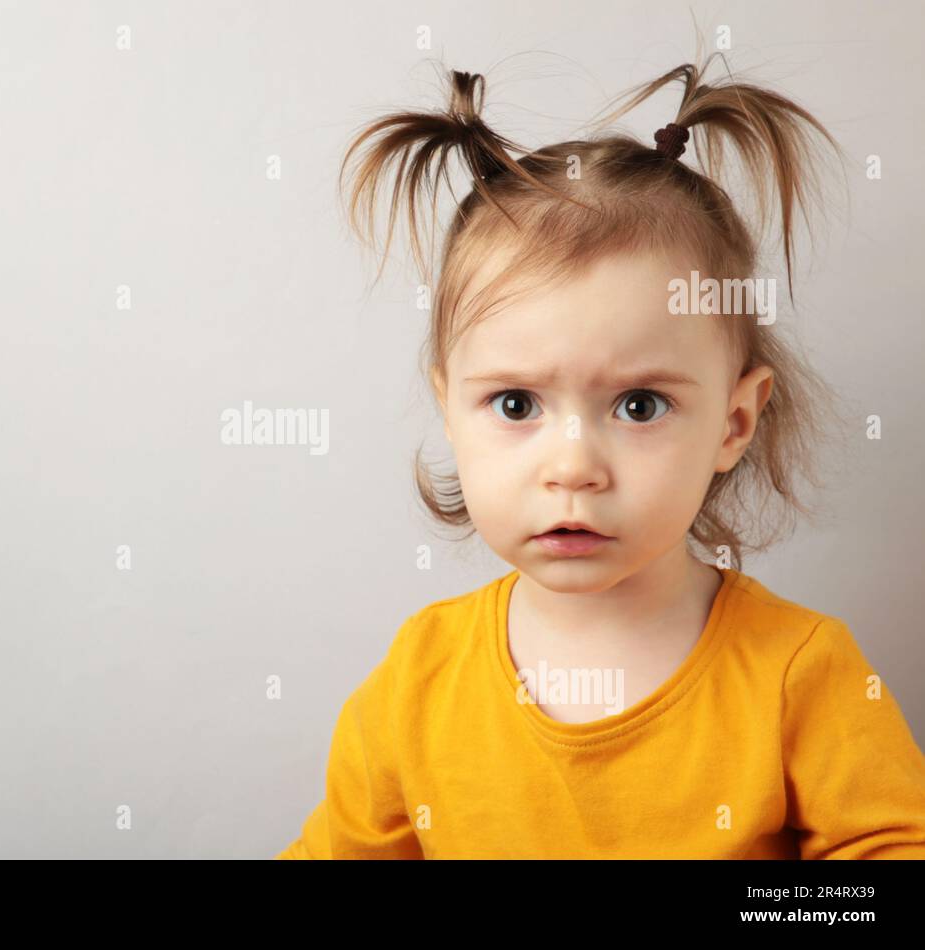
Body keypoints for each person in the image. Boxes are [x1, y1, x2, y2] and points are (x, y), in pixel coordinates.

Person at [276, 53, 925, 859]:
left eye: (639, 405)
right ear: (449, 408)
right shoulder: (420, 677)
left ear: (732, 422)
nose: (573, 467)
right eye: (515, 405)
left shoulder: (799, 671)